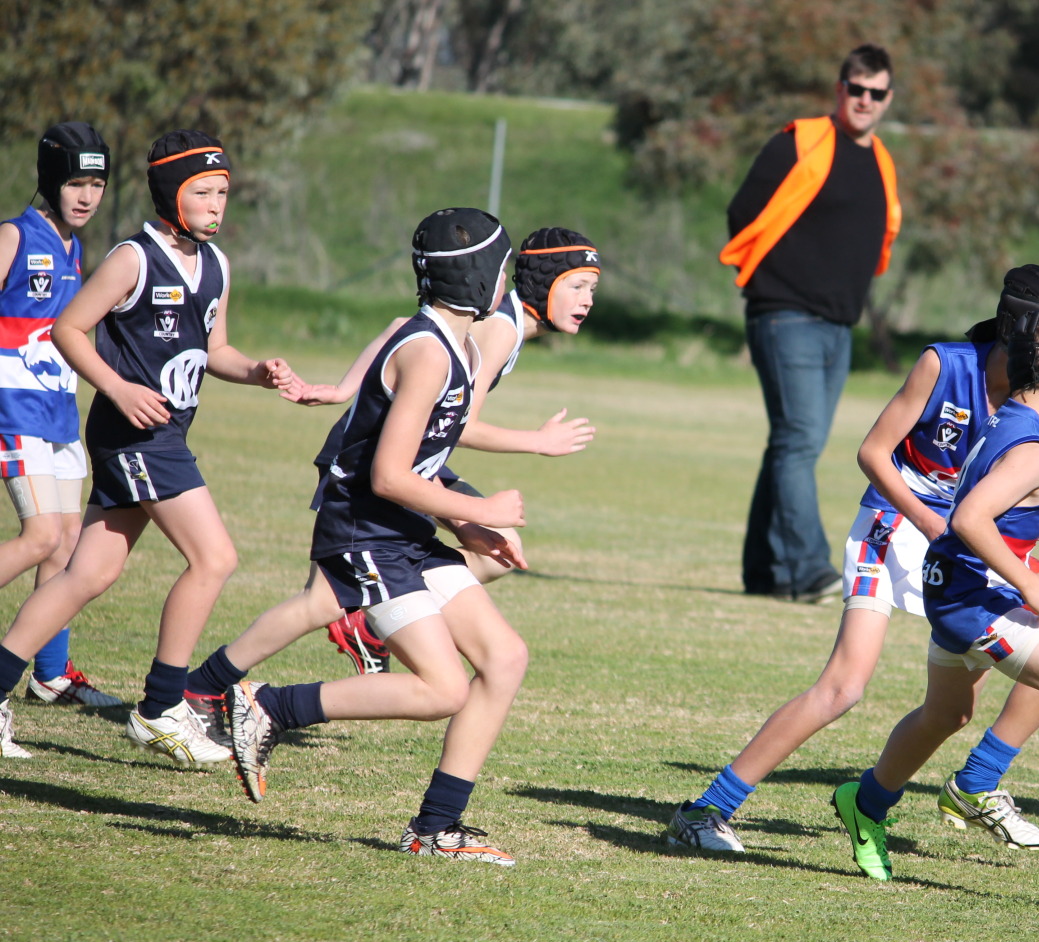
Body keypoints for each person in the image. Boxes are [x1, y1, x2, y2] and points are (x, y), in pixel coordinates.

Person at [668, 271, 1039, 854]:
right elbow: (873, 453)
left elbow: (992, 497)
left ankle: (979, 780)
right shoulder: (945, 364)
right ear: (1020, 331)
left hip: (961, 541)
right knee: (844, 687)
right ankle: (706, 809)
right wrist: (930, 522)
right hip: (897, 523)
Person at [199, 208, 534, 865]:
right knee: (443, 689)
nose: (504, 282)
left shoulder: (461, 344)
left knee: (506, 658)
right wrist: (483, 505)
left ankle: (437, 828)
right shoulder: (427, 352)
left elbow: (424, 459)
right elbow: (388, 475)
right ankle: (267, 706)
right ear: (470, 276)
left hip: (403, 530)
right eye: (498, 268)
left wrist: (466, 523)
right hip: (368, 530)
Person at [829, 266, 1039, 892]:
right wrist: (1027, 580)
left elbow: (992, 502)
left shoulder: (1000, 419)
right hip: (976, 594)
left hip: (952, 583)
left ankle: (867, 803)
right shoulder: (1036, 446)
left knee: (947, 714)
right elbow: (970, 515)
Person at [0, 129, 298, 763]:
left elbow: (215, 350)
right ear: (172, 194)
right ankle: (162, 708)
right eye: (205, 193)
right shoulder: (134, 258)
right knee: (214, 557)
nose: (219, 205)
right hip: (136, 434)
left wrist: (256, 371)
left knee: (90, 572)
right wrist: (118, 387)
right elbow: (68, 328)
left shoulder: (216, 265)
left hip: (165, 433)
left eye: (223, 193)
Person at [289, 227, 599, 676]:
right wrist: (537, 442)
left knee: (497, 548)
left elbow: (400, 328)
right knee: (323, 602)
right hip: (375, 457)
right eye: (577, 286)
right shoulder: (501, 328)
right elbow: (462, 423)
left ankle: (371, 616)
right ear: (543, 283)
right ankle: (368, 620)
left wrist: (344, 389)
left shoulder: (507, 324)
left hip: (412, 458)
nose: (587, 300)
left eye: (592, 288)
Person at [721, 42, 902, 602]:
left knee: (793, 444)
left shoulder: (882, 160)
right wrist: (777, 279)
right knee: (799, 441)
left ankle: (764, 573)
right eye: (856, 88)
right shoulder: (799, 140)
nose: (865, 100)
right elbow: (741, 211)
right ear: (839, 89)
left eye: (877, 92)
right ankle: (807, 571)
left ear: (888, 98)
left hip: (837, 326)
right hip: (786, 315)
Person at [0, 123, 121, 752]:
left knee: (66, 545)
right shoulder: (15, 235)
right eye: (76, 182)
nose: (87, 195)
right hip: (13, 411)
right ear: (51, 180)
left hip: (59, 415)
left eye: (96, 184)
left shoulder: (72, 248)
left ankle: (48, 675)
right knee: (42, 535)